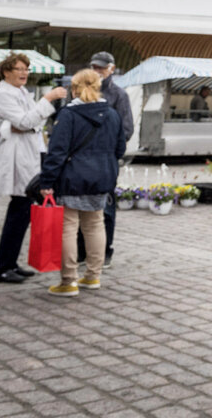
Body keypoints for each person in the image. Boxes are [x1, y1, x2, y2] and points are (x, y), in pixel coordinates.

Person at [37, 69, 126, 296]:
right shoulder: (112, 114)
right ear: (98, 87)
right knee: (95, 224)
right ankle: (93, 277)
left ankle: (69, 281)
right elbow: (120, 149)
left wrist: (47, 181)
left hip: (72, 177)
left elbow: (56, 152)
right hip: (102, 178)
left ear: (74, 88)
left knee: (68, 227)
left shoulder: (68, 114)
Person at [0, 53, 67, 284]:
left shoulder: (21, 92)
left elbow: (34, 123)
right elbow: (25, 122)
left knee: (22, 211)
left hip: (28, 154)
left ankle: (10, 263)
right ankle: (2, 268)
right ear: (6, 72)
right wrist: (47, 98)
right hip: (16, 159)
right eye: (19, 69)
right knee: (18, 211)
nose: (24, 73)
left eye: (26, 69)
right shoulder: (3, 95)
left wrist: (27, 122)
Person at [80, 51, 133, 270]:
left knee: (106, 208)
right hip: (81, 161)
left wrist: (107, 149)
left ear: (111, 69)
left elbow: (126, 130)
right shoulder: (81, 91)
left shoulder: (119, 95)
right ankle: (83, 252)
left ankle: (104, 252)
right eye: (94, 67)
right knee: (79, 207)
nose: (97, 71)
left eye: (101, 68)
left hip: (105, 161)